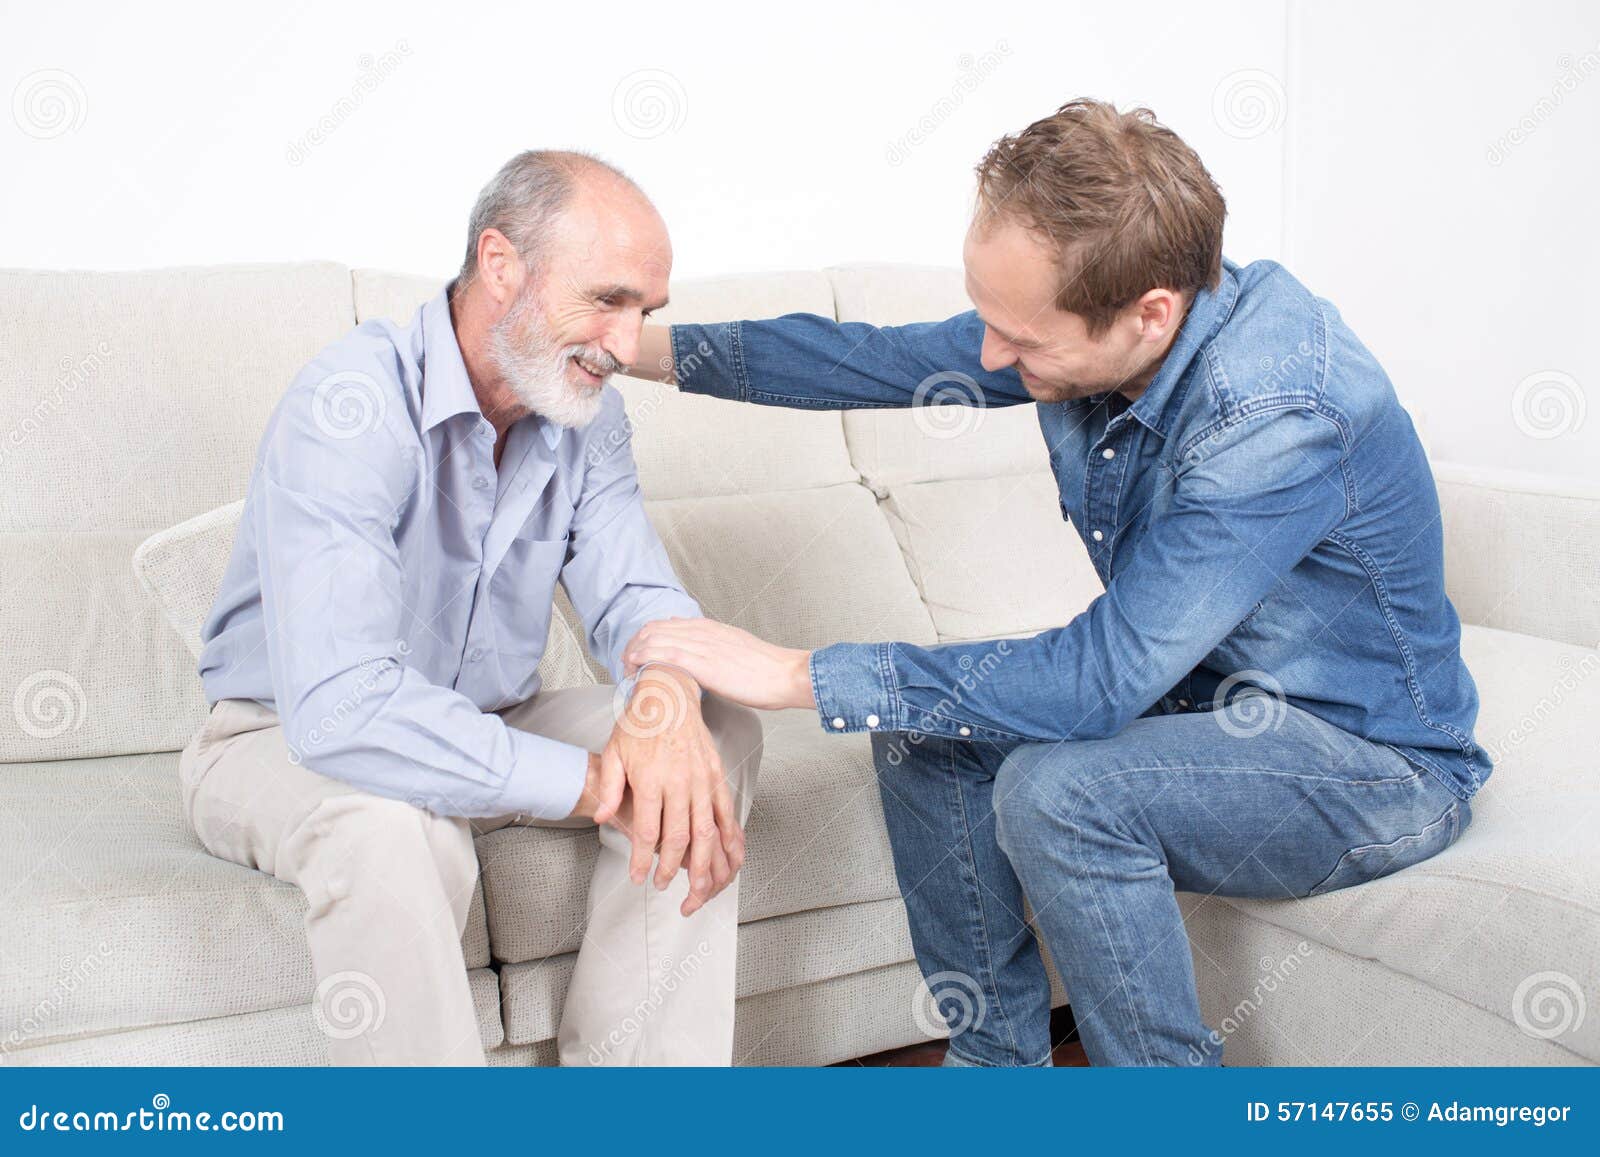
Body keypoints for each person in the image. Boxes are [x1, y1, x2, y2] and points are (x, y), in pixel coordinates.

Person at [622, 100, 1487, 1067]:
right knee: (921, 726)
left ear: (1149, 312)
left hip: (1372, 763)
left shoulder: (1278, 414)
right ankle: (998, 1065)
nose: (989, 358)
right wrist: (635, 350)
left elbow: (1097, 680)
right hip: (1206, 703)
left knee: (1061, 791)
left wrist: (799, 671)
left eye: (1020, 341)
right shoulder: (1099, 329)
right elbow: (870, 357)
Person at [184, 150, 760, 1066]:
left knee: (708, 728)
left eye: (643, 313)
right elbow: (345, 706)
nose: (625, 345)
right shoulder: (351, 405)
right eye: (606, 300)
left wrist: (663, 702)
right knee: (391, 829)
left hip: (491, 715)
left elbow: (638, 597)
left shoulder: (588, 416)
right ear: (501, 264)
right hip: (284, 734)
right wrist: (594, 781)